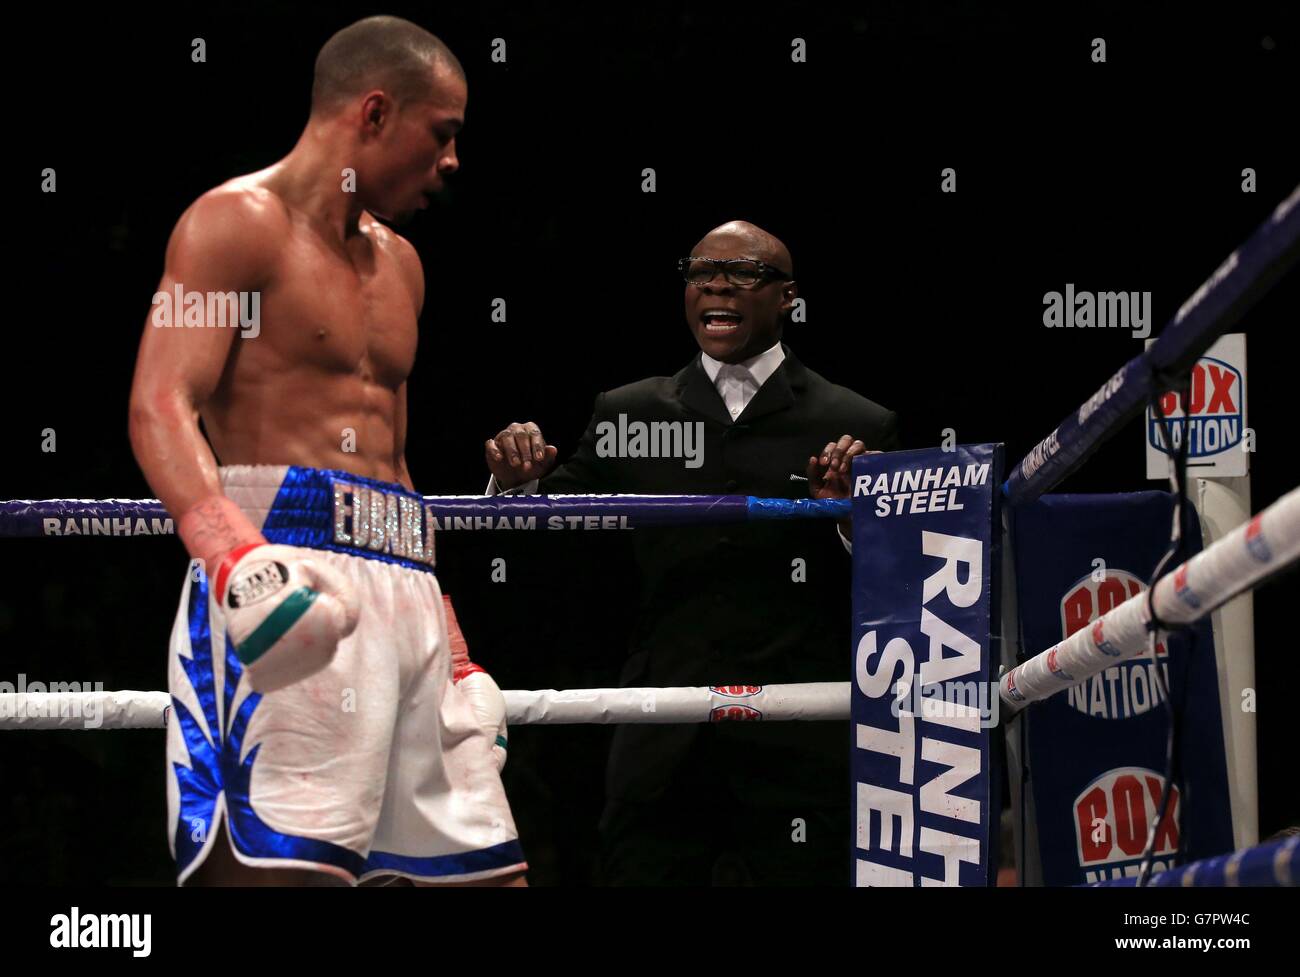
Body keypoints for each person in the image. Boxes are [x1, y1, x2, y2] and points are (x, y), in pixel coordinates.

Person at [129, 15, 525, 886]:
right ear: (375, 112)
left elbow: (395, 465)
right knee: (282, 876)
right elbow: (161, 404)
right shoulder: (230, 224)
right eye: (443, 134)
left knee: (485, 878)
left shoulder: (406, 265)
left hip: (406, 591)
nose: (453, 162)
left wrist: (453, 643)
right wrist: (238, 560)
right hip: (283, 569)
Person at [485, 220, 899, 884]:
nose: (716, 285)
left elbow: (895, 583)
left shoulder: (853, 421)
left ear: (787, 296)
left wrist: (849, 517)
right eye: (701, 271)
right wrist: (515, 480)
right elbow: (548, 530)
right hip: (663, 736)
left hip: (797, 741)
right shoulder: (630, 411)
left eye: (743, 273)